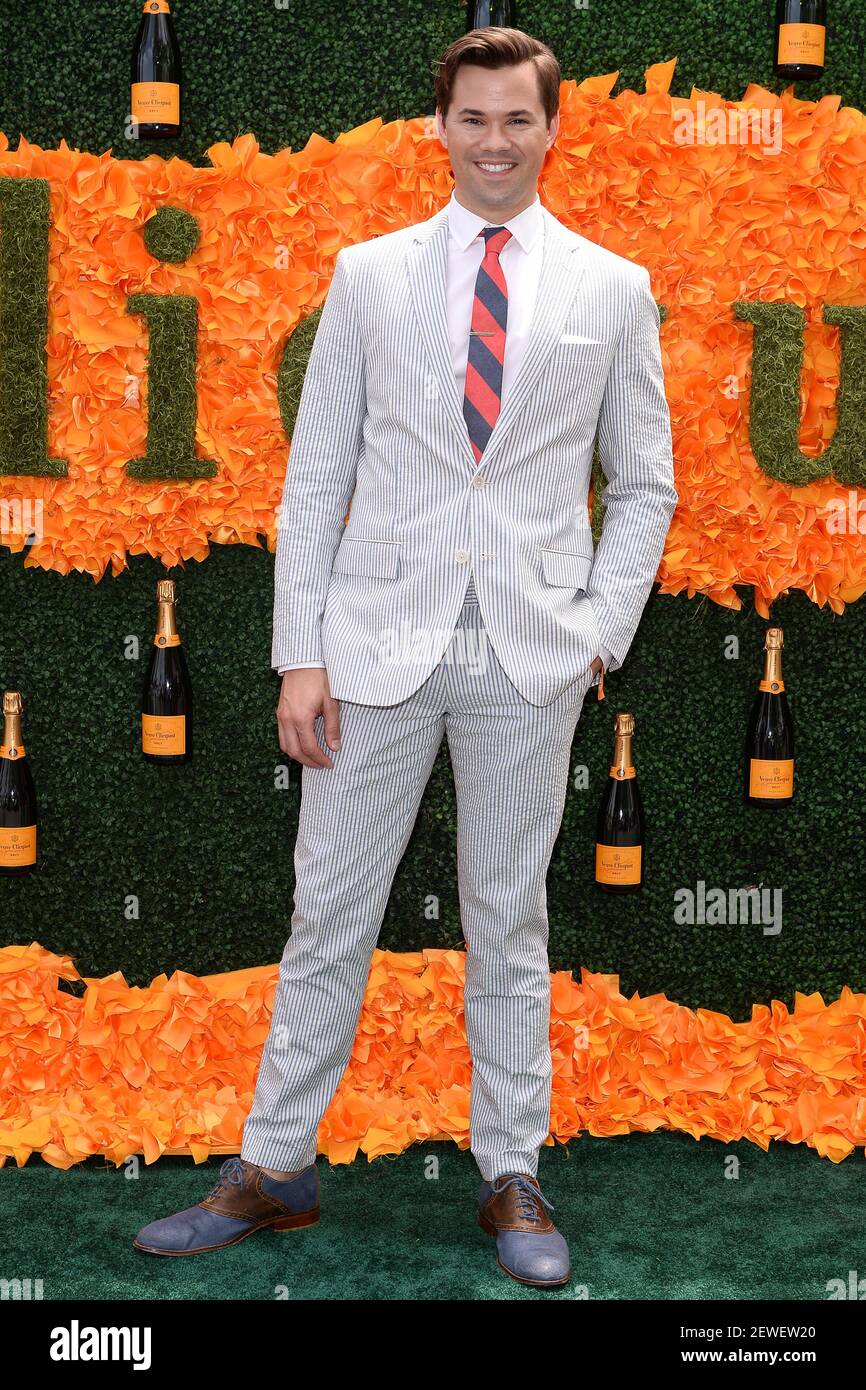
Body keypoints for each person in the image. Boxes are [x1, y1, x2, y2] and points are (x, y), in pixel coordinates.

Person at [133, 25, 677, 1288]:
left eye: (517, 121)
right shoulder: (367, 275)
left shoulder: (611, 287)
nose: (495, 143)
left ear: (551, 131)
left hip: (528, 658)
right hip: (372, 652)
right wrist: (297, 655)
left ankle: (510, 1172)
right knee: (328, 910)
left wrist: (596, 631)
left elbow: (642, 483)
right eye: (473, 120)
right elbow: (315, 474)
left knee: (509, 917)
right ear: (437, 127)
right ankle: (274, 1166)